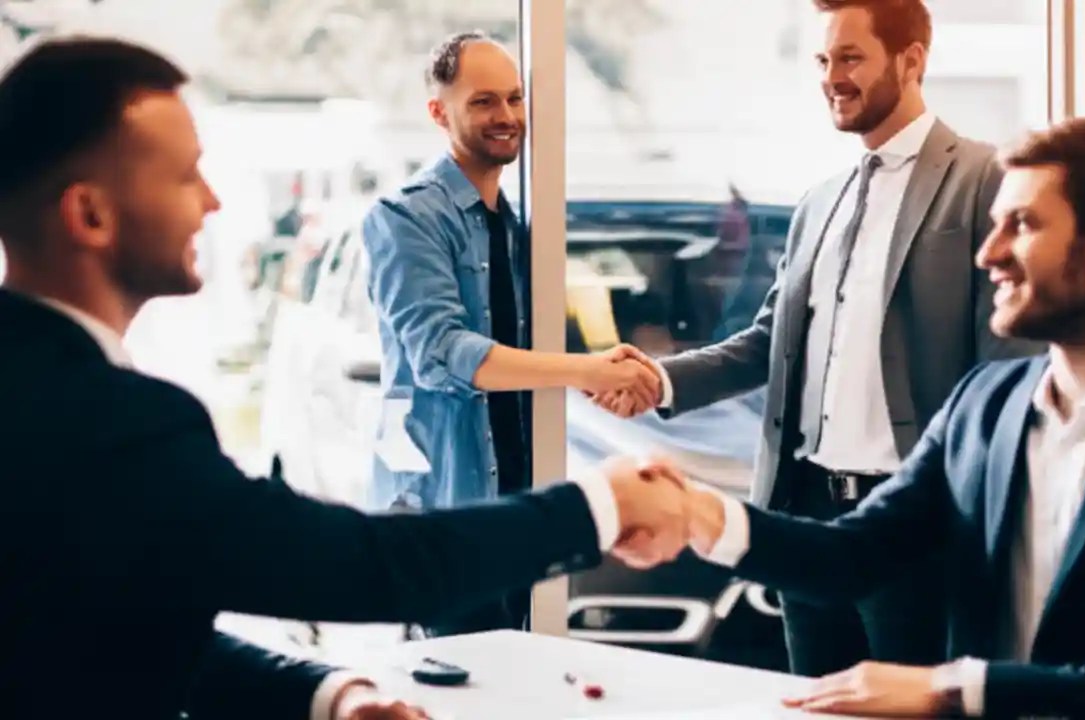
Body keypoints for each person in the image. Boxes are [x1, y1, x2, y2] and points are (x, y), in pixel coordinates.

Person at [0, 36, 687, 720]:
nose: (211, 202)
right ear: (89, 215)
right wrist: (601, 505)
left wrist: (331, 696)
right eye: (186, 176)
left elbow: (127, 626)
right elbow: (359, 566)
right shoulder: (114, 423)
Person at [629, 117, 1085, 718]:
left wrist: (957, 689)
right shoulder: (984, 404)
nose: (988, 253)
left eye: (1022, 225)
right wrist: (699, 514)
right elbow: (855, 554)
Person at [600, 0, 1040, 675]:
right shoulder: (819, 200)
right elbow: (770, 341)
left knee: (911, 709)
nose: (832, 77)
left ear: (911, 61)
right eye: (824, 60)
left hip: (913, 524)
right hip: (803, 513)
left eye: (851, 58)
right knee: (817, 704)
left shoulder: (985, 179)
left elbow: (1006, 366)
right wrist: (660, 380)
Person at [359, 32, 659, 637]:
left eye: (515, 98)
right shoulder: (405, 218)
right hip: (443, 508)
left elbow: (524, 349)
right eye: (483, 102)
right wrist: (585, 369)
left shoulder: (518, 225)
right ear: (439, 113)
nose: (507, 116)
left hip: (519, 496)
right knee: (460, 673)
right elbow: (442, 353)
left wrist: (604, 370)